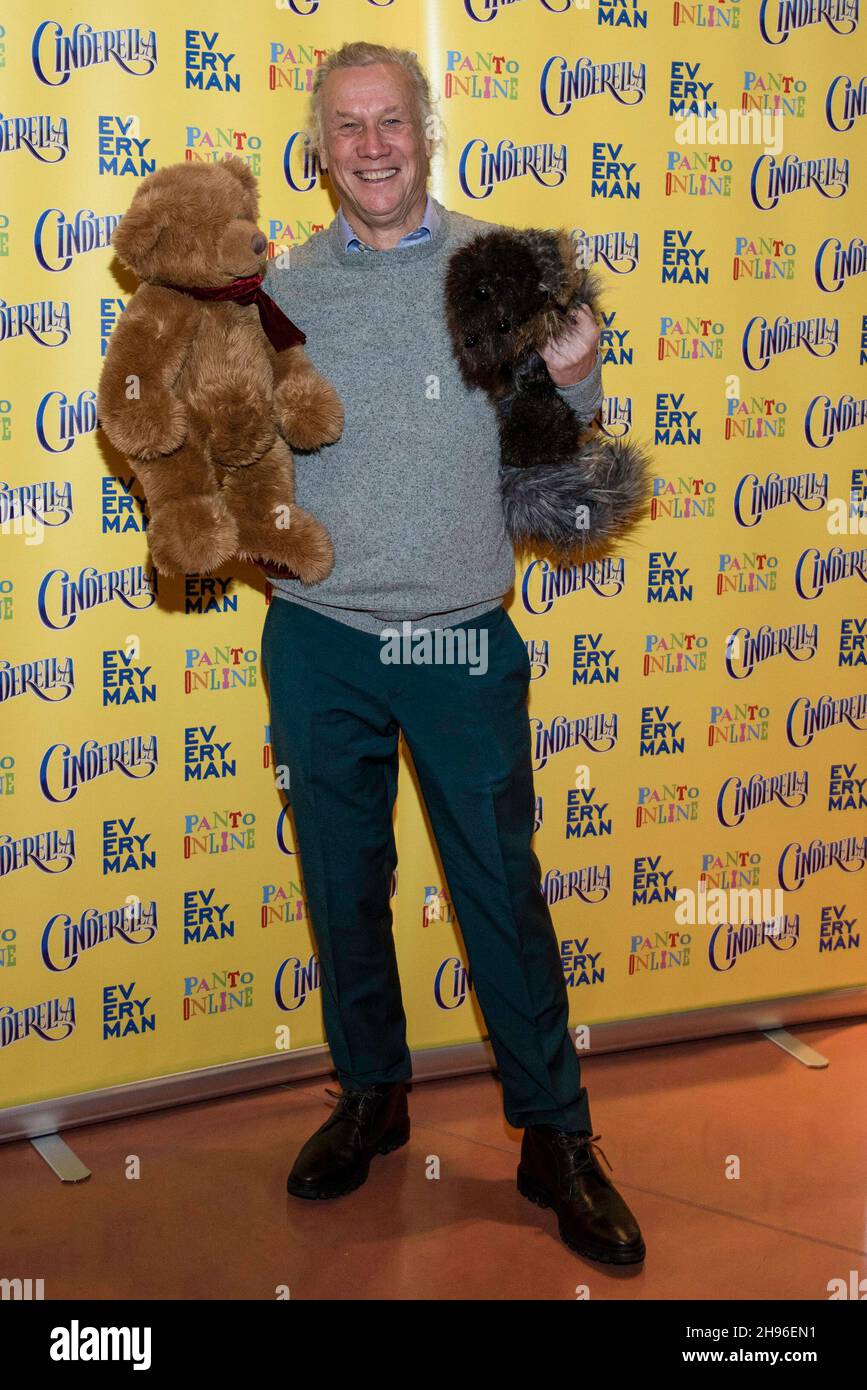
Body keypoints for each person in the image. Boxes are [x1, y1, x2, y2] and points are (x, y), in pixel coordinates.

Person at [261, 40, 645, 1266]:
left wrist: (580, 383)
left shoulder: (499, 275)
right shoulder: (279, 293)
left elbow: (556, 451)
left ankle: (556, 1136)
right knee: (342, 886)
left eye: (390, 121)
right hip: (319, 637)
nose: (371, 146)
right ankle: (370, 1096)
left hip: (462, 639)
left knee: (500, 893)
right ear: (319, 147)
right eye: (347, 127)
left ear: (427, 127)